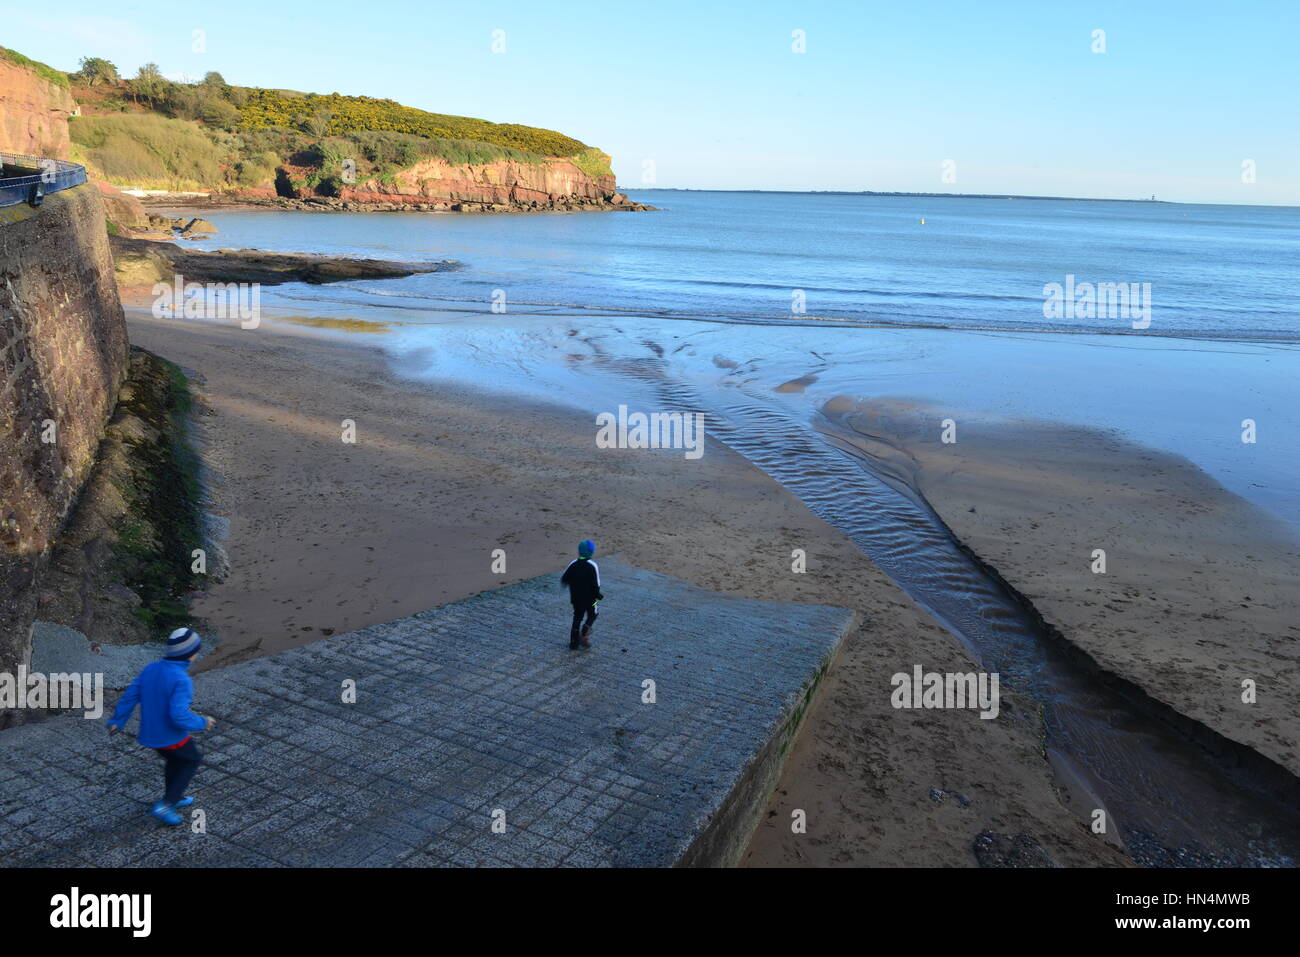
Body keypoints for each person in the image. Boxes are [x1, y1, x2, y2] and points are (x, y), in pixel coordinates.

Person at [106, 627, 215, 826]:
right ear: (190, 655)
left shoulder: (151, 668)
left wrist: (117, 721)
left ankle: (175, 796)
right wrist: (202, 722)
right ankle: (166, 804)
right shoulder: (182, 680)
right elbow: (178, 716)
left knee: (174, 762)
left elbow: (131, 695)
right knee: (191, 760)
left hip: (152, 736)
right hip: (172, 737)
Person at [561, 539, 603, 650]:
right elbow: (596, 584)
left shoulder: (573, 563)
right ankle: (585, 630)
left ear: (579, 551)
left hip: (576, 598)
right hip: (591, 599)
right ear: (591, 552)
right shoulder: (592, 565)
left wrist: (574, 584)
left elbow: (564, 579)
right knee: (594, 612)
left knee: (577, 617)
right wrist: (598, 595)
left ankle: (573, 642)